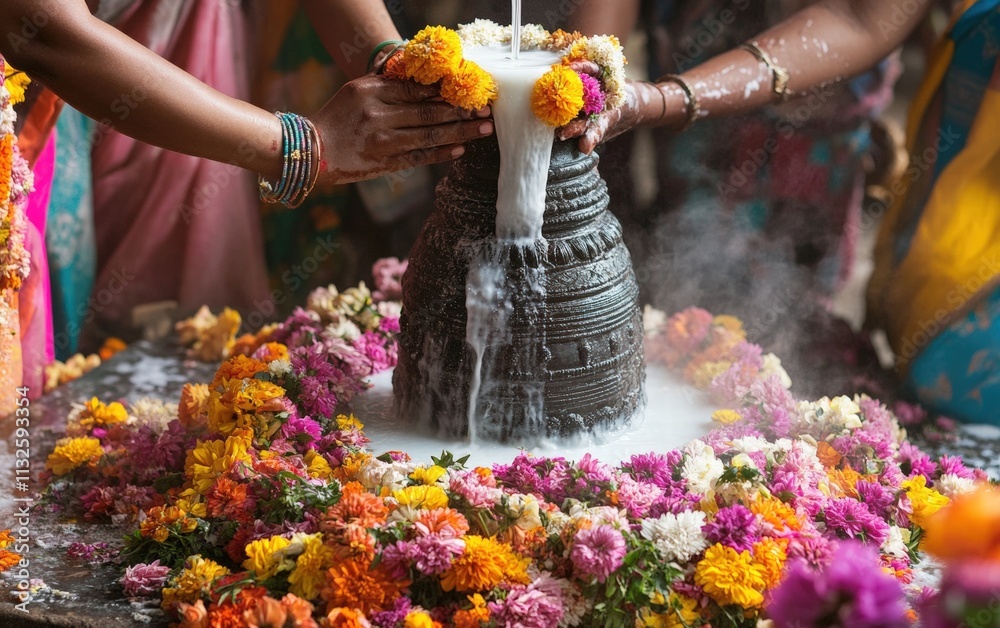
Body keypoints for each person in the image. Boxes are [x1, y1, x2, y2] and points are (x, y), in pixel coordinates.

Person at [0, 0, 494, 396]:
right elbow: (40, 27)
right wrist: (300, 146)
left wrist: (392, 63)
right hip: (64, 83)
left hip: (176, 71)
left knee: (173, 336)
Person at [563, 0, 1000, 423]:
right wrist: (585, 90)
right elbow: (599, 41)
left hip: (809, 152)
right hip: (685, 148)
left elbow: (855, 18)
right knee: (675, 321)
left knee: (788, 353)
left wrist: (665, 100)